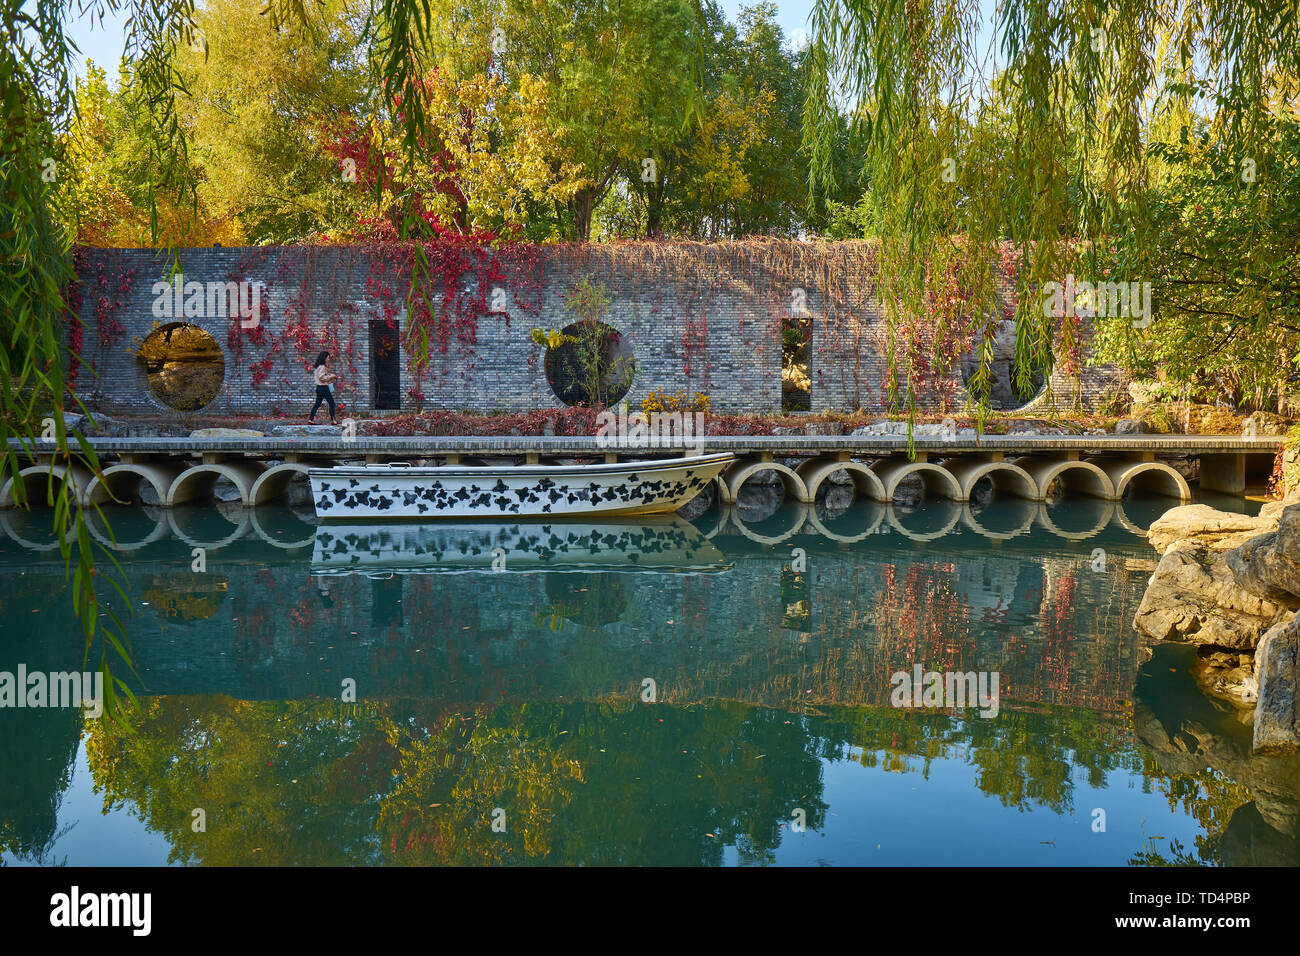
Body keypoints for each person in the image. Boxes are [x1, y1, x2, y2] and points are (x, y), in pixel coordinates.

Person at [308, 351, 338, 425]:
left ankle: (311, 419)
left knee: (317, 404)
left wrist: (330, 377)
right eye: (328, 358)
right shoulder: (322, 367)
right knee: (332, 403)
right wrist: (332, 376)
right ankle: (333, 420)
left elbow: (322, 376)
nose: (329, 359)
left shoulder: (318, 366)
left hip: (318, 388)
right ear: (324, 358)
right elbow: (322, 378)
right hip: (323, 388)